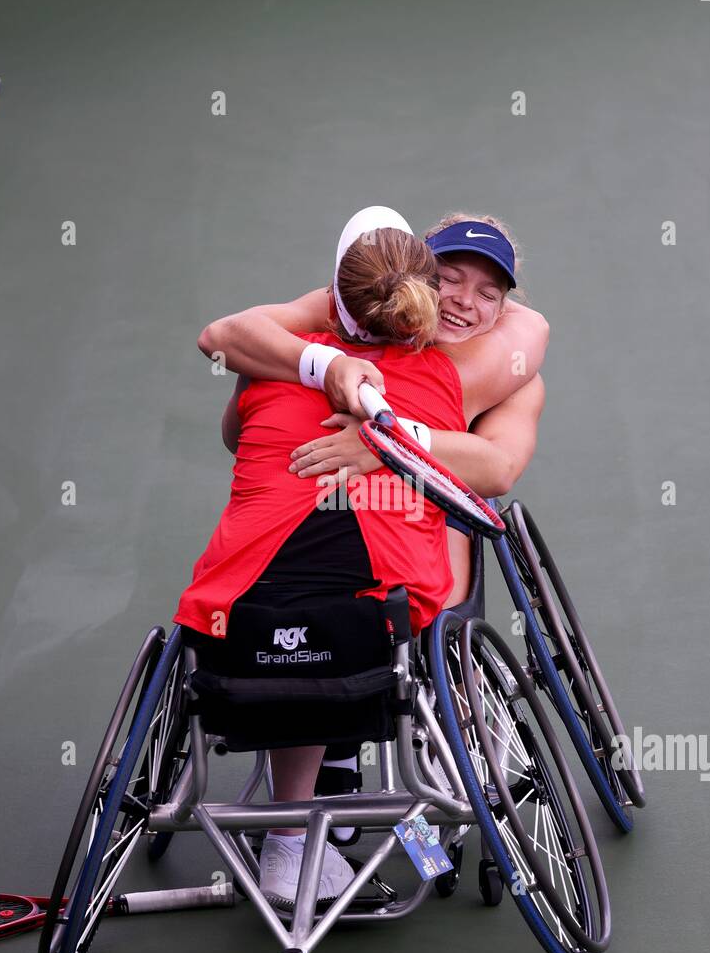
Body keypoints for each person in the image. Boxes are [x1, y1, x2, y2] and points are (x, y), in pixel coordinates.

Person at [174, 208, 525, 908]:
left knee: (307, 599)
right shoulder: (463, 372)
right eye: (449, 281)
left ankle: (302, 820)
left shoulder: (277, 358)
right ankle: (364, 779)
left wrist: (385, 436)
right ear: (415, 285)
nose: (465, 301)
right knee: (373, 605)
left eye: (489, 293)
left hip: (236, 623)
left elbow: (225, 360)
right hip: (385, 608)